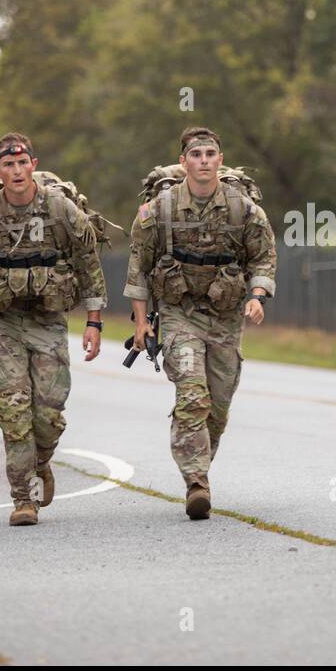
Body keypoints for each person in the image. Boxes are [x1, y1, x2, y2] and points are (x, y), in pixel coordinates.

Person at [0, 132, 107, 526]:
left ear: (33, 164)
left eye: (23, 163)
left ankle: (40, 461)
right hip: (2, 324)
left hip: (49, 322)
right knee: (14, 410)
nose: (16, 171)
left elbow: (88, 263)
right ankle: (24, 499)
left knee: (48, 414)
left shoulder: (61, 209)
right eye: (8, 165)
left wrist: (93, 321)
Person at [124, 126, 277, 519]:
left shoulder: (244, 209)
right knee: (192, 394)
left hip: (226, 317)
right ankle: (196, 483)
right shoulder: (160, 210)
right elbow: (138, 269)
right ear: (184, 162)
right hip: (179, 314)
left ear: (220, 161)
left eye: (210, 154)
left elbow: (263, 257)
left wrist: (258, 297)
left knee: (218, 407)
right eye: (196, 155)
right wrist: (142, 324)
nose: (204, 160)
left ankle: (200, 464)